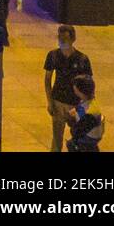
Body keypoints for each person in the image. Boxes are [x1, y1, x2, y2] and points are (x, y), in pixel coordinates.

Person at [43, 24, 92, 153]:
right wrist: (50, 102)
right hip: (58, 101)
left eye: (65, 38)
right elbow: (47, 80)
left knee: (78, 137)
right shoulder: (53, 55)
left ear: (73, 39)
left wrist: (85, 107)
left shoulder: (82, 59)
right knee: (56, 138)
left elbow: (88, 84)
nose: (62, 41)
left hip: (76, 104)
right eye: (60, 38)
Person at [66, 75, 103, 153]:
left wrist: (71, 122)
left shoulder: (90, 112)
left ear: (81, 92)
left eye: (75, 89)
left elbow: (77, 131)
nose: (74, 90)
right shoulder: (88, 101)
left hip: (87, 142)